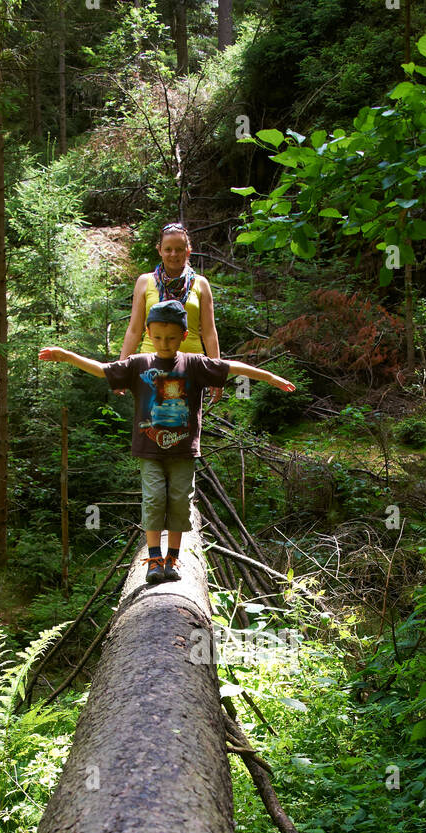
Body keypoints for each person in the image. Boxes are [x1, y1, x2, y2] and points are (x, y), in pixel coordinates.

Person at [38, 299, 294, 585]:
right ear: (148, 333)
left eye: (171, 337)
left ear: (183, 336)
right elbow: (102, 370)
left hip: (183, 451)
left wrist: (270, 377)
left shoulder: (193, 364)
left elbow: (232, 367)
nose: (164, 342)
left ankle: (172, 558)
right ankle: (154, 558)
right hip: (149, 450)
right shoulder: (138, 364)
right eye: (158, 337)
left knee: (180, 504)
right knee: (154, 499)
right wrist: (67, 356)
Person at [116, 221, 224, 405]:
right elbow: (134, 330)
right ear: (160, 250)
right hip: (151, 366)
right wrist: (122, 369)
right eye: (168, 249)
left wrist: (216, 372)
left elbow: (209, 332)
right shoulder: (144, 282)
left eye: (179, 249)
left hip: (191, 366)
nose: (173, 254)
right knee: (150, 424)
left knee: (186, 425)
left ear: (188, 250)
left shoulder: (200, 284)